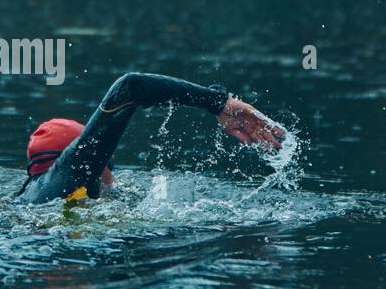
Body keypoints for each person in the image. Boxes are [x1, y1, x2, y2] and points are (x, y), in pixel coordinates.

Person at [16, 72, 284, 204]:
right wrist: (217, 101)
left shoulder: (30, 195)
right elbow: (130, 86)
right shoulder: (76, 171)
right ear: (96, 156)